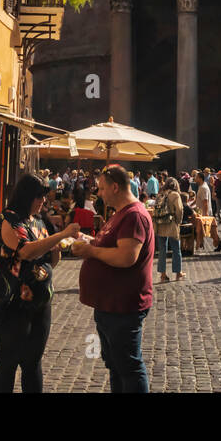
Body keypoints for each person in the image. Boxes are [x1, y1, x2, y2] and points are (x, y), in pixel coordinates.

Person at [0, 175, 79, 392]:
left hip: (39, 302)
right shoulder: (8, 220)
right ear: (26, 196)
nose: (42, 202)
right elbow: (26, 252)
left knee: (32, 362)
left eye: (44, 197)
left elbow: (49, 261)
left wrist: (56, 248)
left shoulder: (37, 221)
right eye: (39, 197)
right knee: (7, 363)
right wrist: (61, 235)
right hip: (11, 302)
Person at [72, 165, 155, 393]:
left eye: (101, 189)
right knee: (116, 366)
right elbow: (111, 245)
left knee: (128, 366)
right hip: (109, 305)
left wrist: (91, 251)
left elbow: (127, 256)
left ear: (115, 187)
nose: (99, 194)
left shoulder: (134, 215)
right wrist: (88, 240)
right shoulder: (121, 214)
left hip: (123, 306)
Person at [153, 182, 185, 283]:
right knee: (176, 248)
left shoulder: (160, 195)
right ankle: (178, 272)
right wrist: (178, 222)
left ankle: (163, 274)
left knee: (162, 250)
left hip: (159, 224)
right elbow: (179, 210)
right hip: (171, 224)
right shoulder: (175, 195)